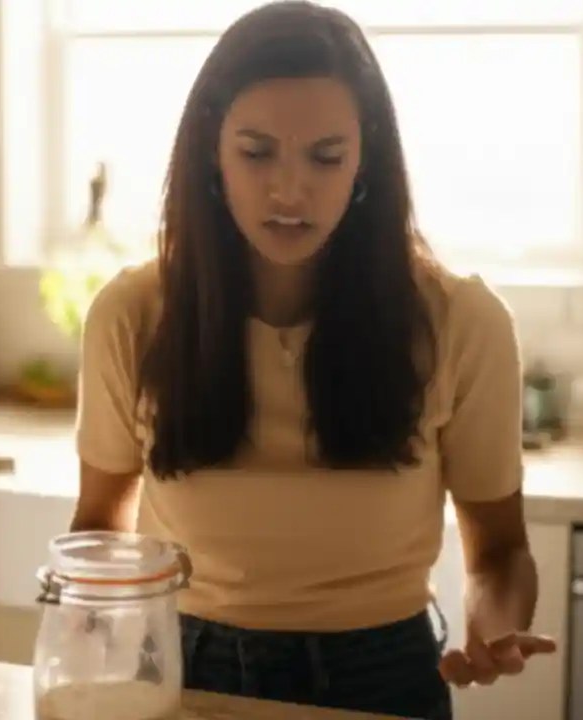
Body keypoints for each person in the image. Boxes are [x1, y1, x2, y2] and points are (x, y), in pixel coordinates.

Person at [69, 2, 557, 718]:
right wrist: (88, 628)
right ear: (212, 151)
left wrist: (497, 626)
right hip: (186, 664)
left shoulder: (461, 321)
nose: (289, 190)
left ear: (365, 160)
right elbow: (101, 524)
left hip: (383, 675)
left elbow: (499, 551)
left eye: (326, 156)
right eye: (257, 152)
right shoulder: (133, 315)